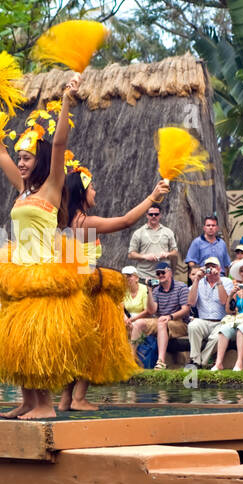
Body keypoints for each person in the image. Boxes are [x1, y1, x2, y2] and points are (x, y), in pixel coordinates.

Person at [0, 80, 84, 418]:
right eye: (20, 158)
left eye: (26, 158)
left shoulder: (51, 189)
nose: (21, 162)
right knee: (17, 339)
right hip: (17, 272)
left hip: (41, 272)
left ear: (37, 160)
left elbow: (58, 143)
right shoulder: (22, 190)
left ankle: (45, 406)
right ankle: (27, 402)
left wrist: (67, 100)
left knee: (36, 340)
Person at [59, 155, 170, 410]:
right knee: (93, 341)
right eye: (92, 188)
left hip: (71, 290)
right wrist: (153, 196)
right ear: (82, 192)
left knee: (77, 343)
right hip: (87, 290)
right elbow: (126, 221)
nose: (95, 192)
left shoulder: (63, 221)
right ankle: (78, 398)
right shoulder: (84, 222)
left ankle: (66, 399)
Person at [186, 256, 235, 367]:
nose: (210, 269)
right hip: (203, 320)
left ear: (219, 268)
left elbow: (224, 301)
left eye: (213, 266)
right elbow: (191, 303)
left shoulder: (226, 281)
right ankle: (195, 360)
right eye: (208, 267)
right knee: (192, 326)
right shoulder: (198, 282)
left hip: (221, 321)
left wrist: (218, 280)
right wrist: (197, 280)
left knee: (217, 337)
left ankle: (200, 362)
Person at [148, 261, 191, 369]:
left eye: (163, 272)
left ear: (170, 273)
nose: (161, 275)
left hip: (180, 323)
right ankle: (132, 359)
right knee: (138, 324)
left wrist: (170, 317)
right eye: (158, 274)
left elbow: (185, 310)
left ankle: (161, 361)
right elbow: (152, 310)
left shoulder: (181, 287)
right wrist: (149, 290)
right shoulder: (156, 290)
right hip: (161, 321)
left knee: (162, 322)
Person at [126, 202, 179, 282]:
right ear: (147, 215)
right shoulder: (138, 233)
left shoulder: (168, 232)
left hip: (163, 276)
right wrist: (144, 256)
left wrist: (167, 254)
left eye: (156, 214)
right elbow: (131, 254)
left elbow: (175, 252)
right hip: (144, 276)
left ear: (160, 215)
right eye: (151, 214)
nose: (154, 216)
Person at [123, 266, 153, 344]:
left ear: (136, 278)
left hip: (142, 319)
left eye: (129, 276)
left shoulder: (144, 289)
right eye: (125, 277)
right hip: (128, 319)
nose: (127, 279)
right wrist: (126, 319)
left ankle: (132, 352)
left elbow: (147, 311)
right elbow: (120, 308)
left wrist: (131, 320)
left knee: (134, 326)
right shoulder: (124, 290)